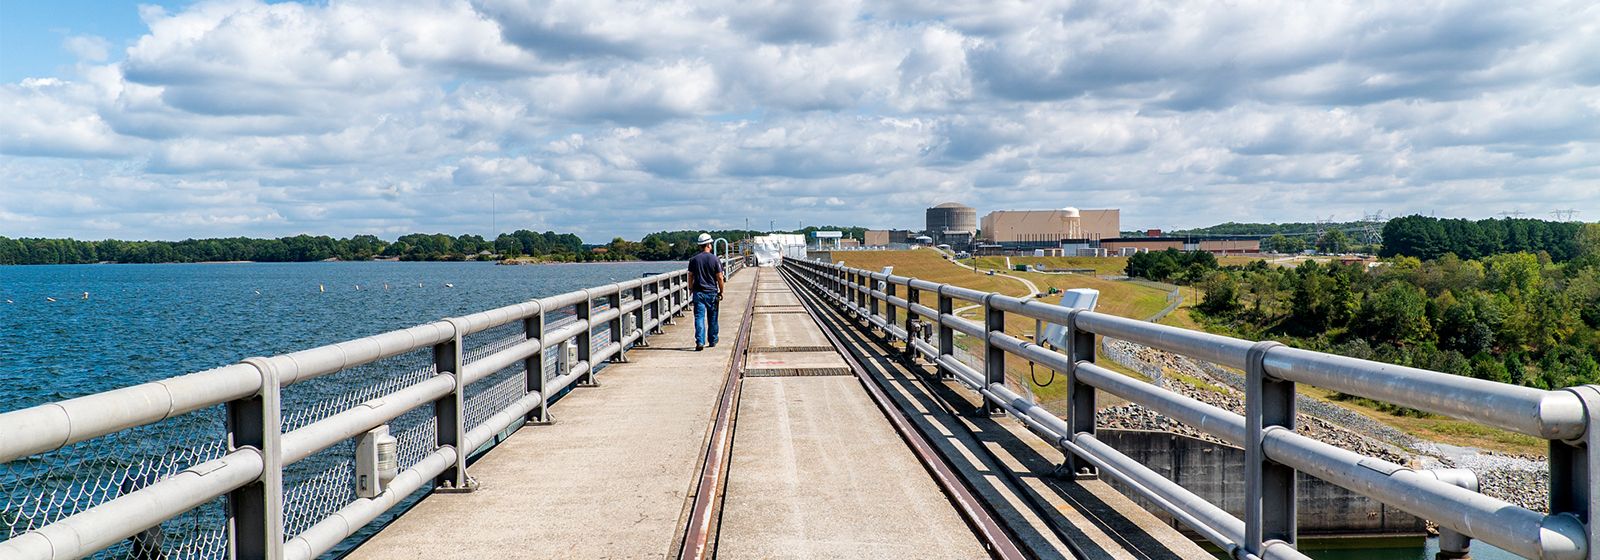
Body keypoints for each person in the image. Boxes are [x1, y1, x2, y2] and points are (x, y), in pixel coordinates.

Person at [687, 233, 724, 351]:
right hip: (712, 292)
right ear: (708, 244)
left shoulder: (693, 260)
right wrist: (721, 291)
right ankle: (712, 340)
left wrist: (690, 288)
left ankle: (700, 341)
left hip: (698, 292)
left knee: (699, 318)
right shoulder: (715, 259)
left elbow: (690, 276)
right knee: (712, 318)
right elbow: (719, 277)